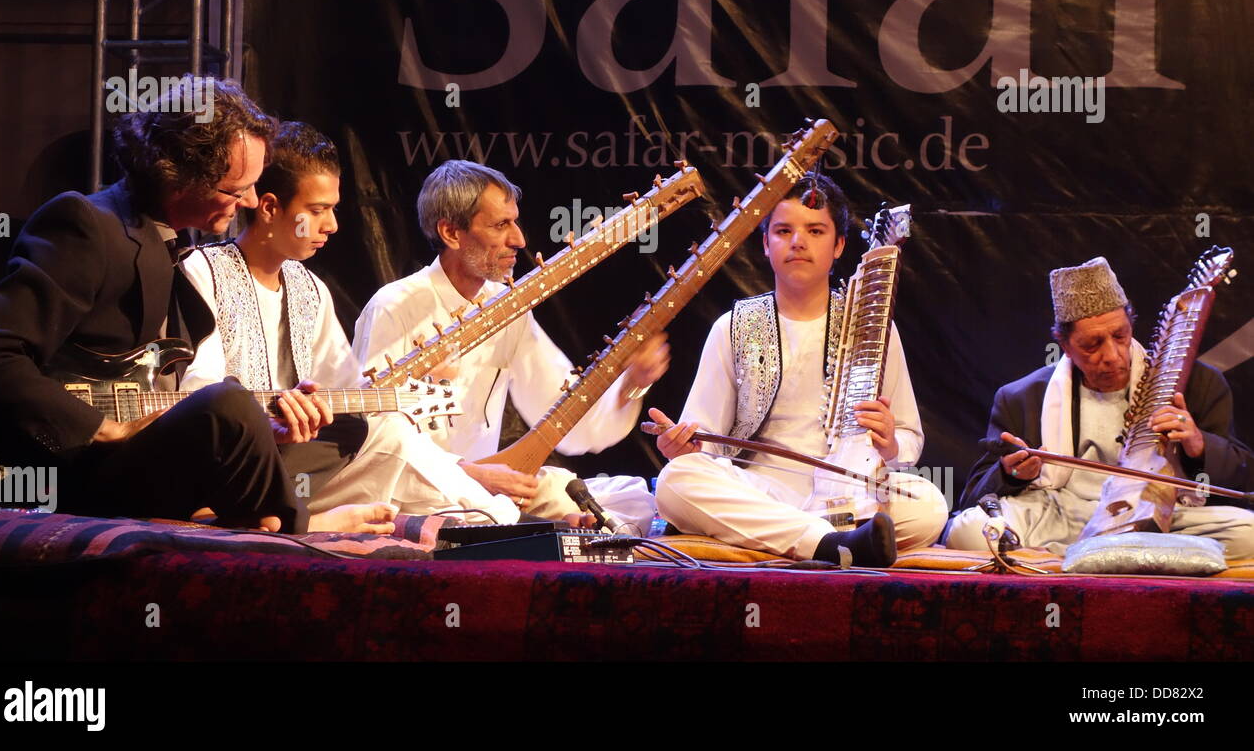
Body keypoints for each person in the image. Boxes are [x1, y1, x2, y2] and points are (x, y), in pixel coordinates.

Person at [0, 77, 392, 535]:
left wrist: (261, 434)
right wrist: (103, 427)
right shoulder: (87, 225)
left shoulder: (169, 240)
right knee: (227, 399)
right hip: (69, 470)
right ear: (180, 176)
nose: (246, 201)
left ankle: (269, 524)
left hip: (127, 459)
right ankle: (302, 531)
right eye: (234, 188)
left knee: (328, 430)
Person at [647, 172, 947, 565]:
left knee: (928, 503)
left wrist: (890, 441)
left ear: (839, 245)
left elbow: (908, 440)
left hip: (848, 496)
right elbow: (706, 443)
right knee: (677, 480)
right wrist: (683, 446)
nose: (798, 242)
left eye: (816, 231)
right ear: (766, 245)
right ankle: (833, 544)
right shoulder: (733, 326)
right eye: (783, 230)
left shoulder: (872, 327)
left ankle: (801, 538)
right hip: (760, 491)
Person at [351, 159, 667, 527]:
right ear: (452, 233)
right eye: (501, 225)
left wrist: (629, 384)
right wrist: (467, 474)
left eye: (514, 222)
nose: (519, 239)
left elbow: (565, 414)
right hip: (415, 489)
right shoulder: (395, 305)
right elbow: (376, 434)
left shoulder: (507, 306)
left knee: (629, 500)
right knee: (492, 513)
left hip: (489, 488)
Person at [945, 256, 1254, 557]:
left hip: (1162, 512)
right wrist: (1010, 473)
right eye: (1091, 345)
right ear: (1064, 345)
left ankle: (1087, 555)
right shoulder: (1022, 398)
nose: (1113, 355)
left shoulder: (1196, 383)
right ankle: (1139, 556)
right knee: (969, 530)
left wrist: (1198, 445)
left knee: (1249, 532)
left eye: (1120, 335)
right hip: (1061, 514)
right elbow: (975, 493)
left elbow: (1242, 475)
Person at [179, 121, 377, 507]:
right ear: (269, 207)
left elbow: (345, 386)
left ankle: (281, 507)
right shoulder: (202, 270)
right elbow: (198, 392)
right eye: (318, 210)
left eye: (332, 210)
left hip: (296, 461)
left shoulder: (311, 289)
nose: (332, 225)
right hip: (227, 457)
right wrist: (267, 427)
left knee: (365, 429)